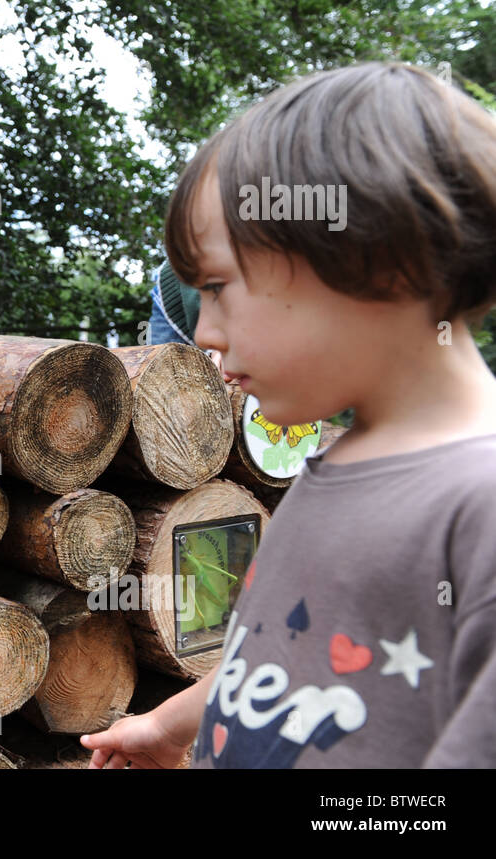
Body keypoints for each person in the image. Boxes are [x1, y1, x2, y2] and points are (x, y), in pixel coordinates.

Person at [81, 61, 496, 768]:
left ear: (373, 258)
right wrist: (173, 724)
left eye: (217, 286)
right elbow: (282, 649)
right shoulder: (339, 463)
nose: (204, 332)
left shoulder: (477, 502)